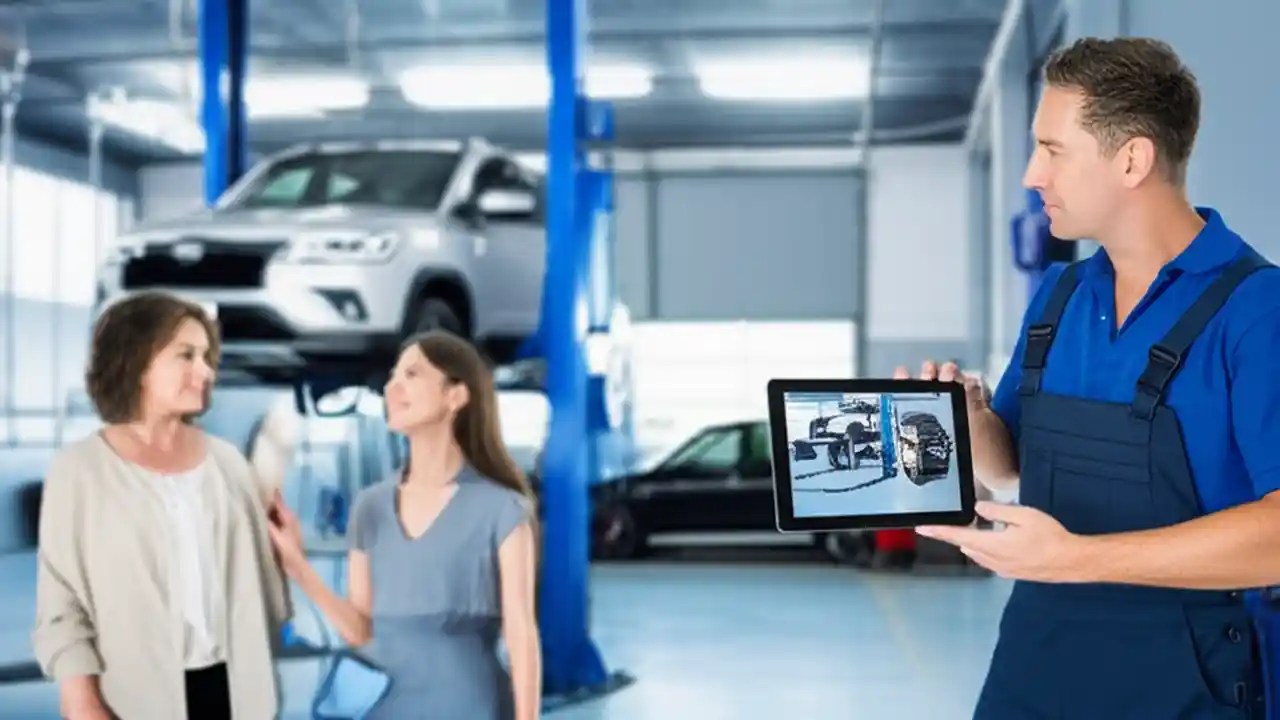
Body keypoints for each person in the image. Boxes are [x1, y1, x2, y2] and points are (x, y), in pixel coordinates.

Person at [902, 37, 1280, 719]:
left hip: (1189, 688)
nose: (1032, 175)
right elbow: (1011, 466)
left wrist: (1075, 558)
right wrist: (970, 419)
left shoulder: (1256, 310)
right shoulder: (1060, 294)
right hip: (1034, 671)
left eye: (1053, 150)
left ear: (1132, 159)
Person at [31, 291, 295, 720]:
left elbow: (267, 598)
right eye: (186, 355)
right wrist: (80, 699)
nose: (205, 371)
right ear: (135, 362)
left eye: (206, 357)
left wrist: (282, 551)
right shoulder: (79, 470)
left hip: (236, 696)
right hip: (133, 701)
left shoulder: (228, 464)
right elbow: (61, 603)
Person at [266, 330, 542, 720]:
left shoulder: (502, 510)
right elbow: (359, 632)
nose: (391, 388)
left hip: (473, 707)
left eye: (411, 374)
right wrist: (298, 567)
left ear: (456, 396)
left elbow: (521, 634)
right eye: (392, 377)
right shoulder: (371, 507)